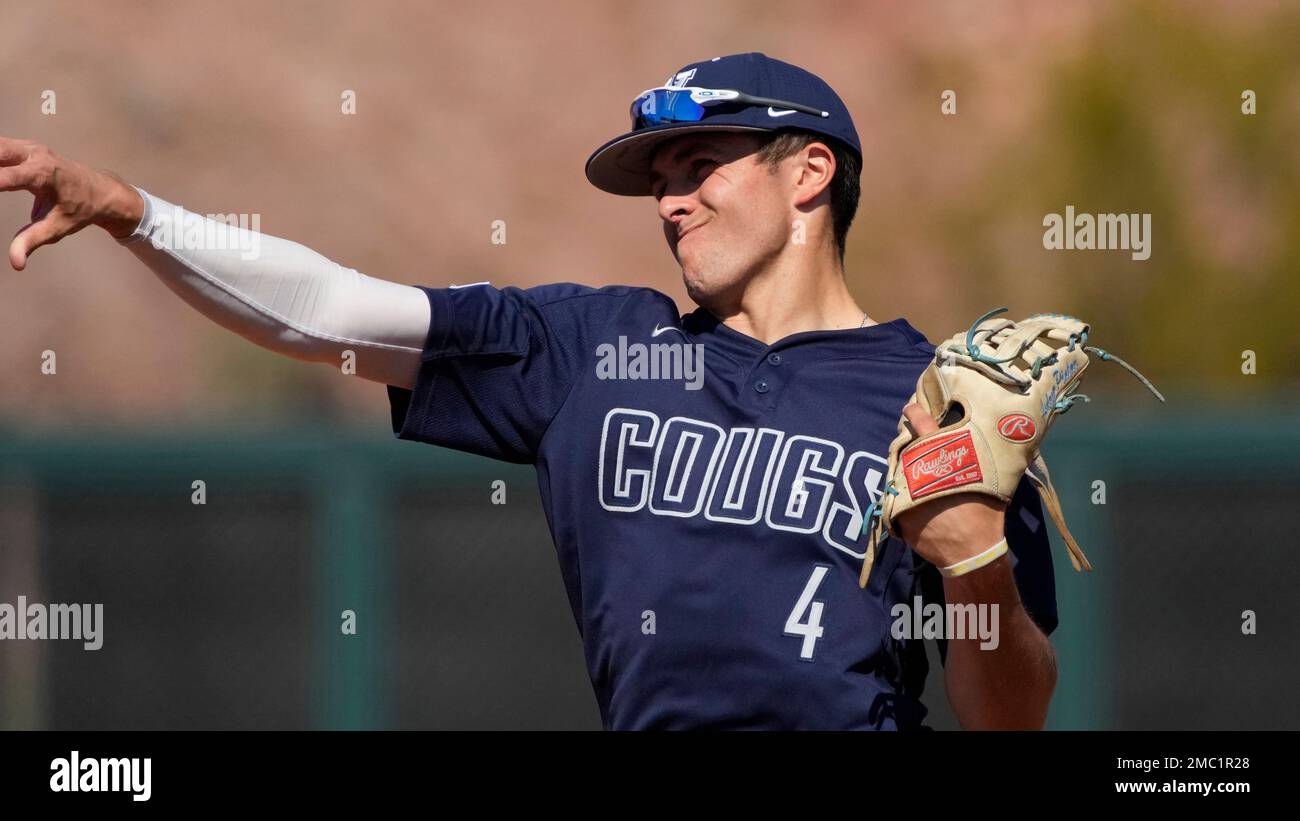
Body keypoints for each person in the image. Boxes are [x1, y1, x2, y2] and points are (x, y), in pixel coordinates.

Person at [1, 52, 1059, 730]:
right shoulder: (589, 347)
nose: (670, 203)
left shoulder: (943, 403)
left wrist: (975, 560)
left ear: (810, 175)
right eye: (657, 183)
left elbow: (1008, 718)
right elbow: (327, 310)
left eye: (698, 165)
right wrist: (133, 211)